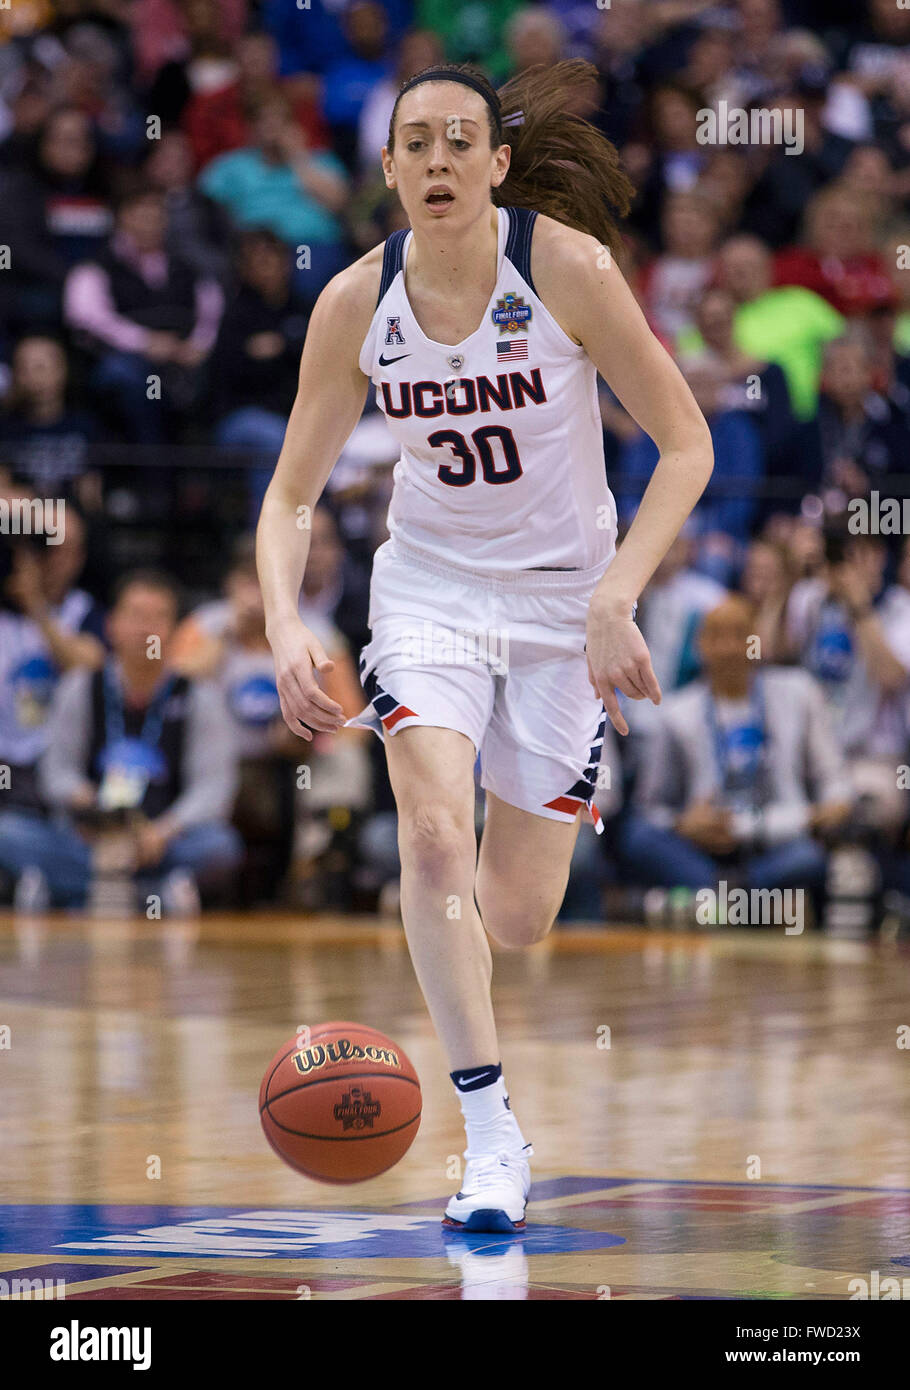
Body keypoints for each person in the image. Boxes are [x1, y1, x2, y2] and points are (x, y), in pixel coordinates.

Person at [256, 60, 714, 1233]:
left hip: (566, 604)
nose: (441, 160)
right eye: (418, 143)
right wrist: (282, 617)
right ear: (391, 166)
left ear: (499, 164)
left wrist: (617, 594)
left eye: (463, 140)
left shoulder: (565, 268)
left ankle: (549, 824)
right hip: (429, 593)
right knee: (428, 831)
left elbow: (684, 445)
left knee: (515, 914)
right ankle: (490, 1129)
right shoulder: (355, 303)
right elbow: (291, 497)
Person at [0, 569, 242, 913]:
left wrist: (163, 831)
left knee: (220, 846)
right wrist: (92, 810)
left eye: (159, 618)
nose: (147, 630)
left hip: (161, 839)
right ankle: (152, 896)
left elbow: (213, 787)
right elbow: (56, 772)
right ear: (112, 625)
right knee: (8, 832)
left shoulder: (198, 695)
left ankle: (76, 894)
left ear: (174, 630)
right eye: (136, 616)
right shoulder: (82, 686)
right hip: (90, 838)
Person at [622, 596, 852, 903]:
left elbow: (833, 775)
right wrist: (682, 823)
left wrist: (832, 805)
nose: (730, 648)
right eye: (717, 636)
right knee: (639, 839)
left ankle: (720, 899)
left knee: (808, 859)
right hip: (704, 845)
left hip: (778, 837)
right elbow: (650, 808)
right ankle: (736, 898)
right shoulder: (677, 713)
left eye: (740, 635)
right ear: (700, 645)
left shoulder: (798, 692)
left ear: (756, 640)